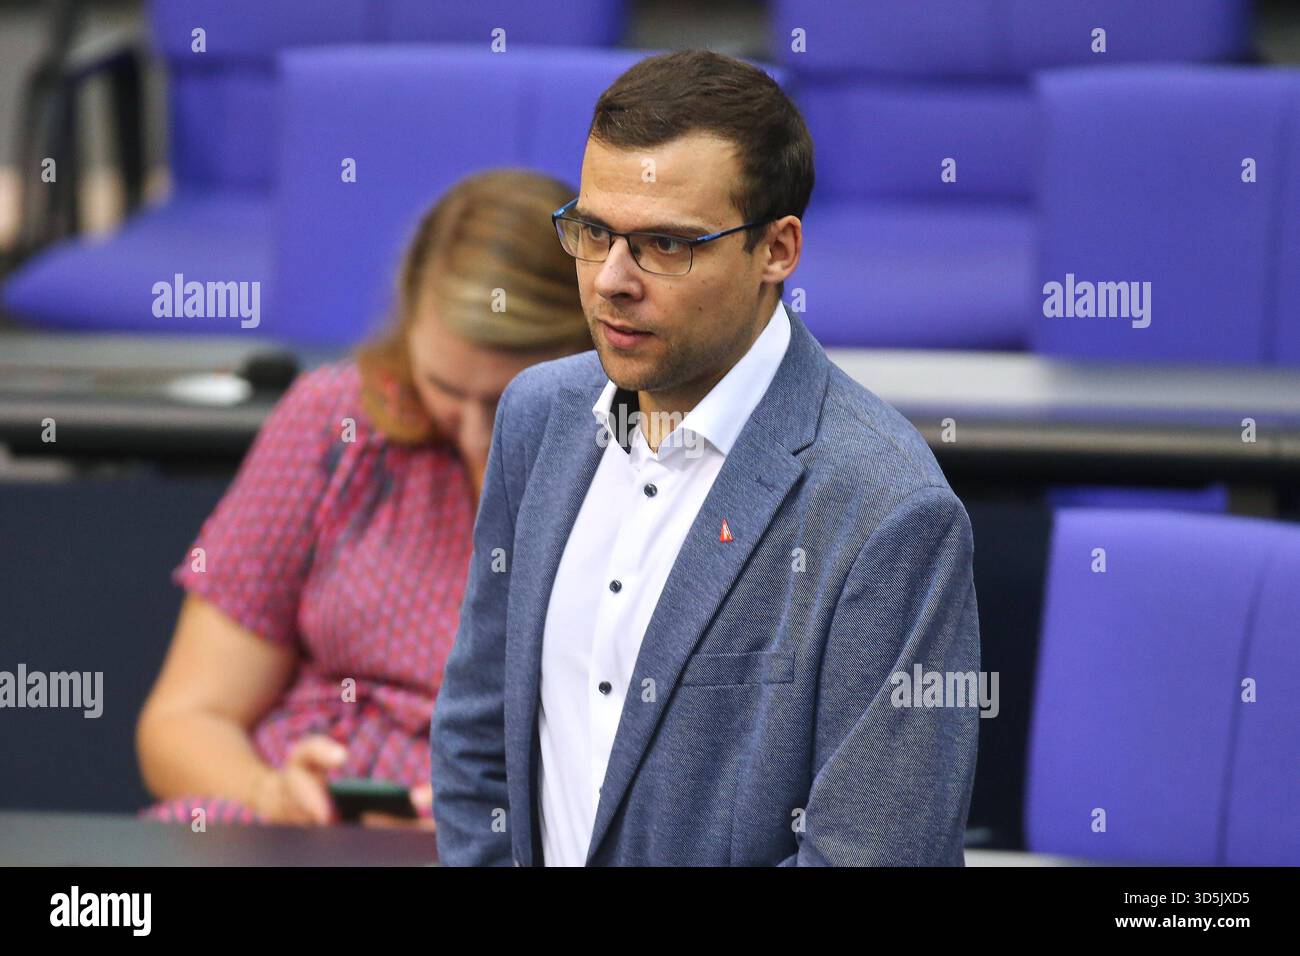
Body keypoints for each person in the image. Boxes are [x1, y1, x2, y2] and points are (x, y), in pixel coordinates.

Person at [430, 50, 981, 866]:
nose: (612, 280)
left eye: (665, 244)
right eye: (593, 231)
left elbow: (869, 855)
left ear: (777, 250)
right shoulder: (537, 418)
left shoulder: (889, 513)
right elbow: (479, 740)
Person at [136, 168, 591, 828]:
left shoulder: (640, 477)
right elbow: (183, 721)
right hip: (298, 834)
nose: (473, 436)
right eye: (445, 389)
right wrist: (271, 796)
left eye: (505, 403)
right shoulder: (335, 423)